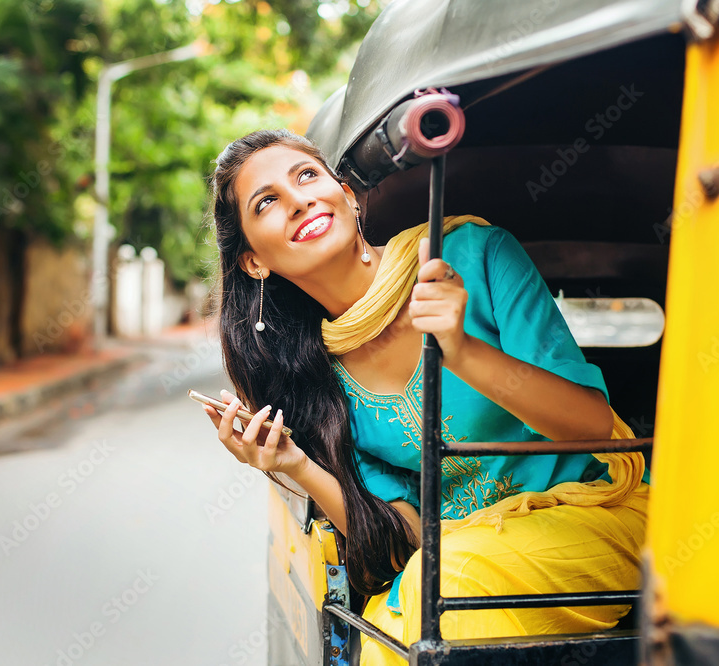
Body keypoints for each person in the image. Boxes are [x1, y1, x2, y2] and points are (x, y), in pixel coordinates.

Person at [203, 128, 649, 665]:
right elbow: (403, 541)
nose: (298, 200)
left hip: (599, 510)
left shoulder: (472, 255)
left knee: (439, 590)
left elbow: (591, 428)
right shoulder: (316, 381)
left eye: (306, 176)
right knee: (408, 612)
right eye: (267, 202)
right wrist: (293, 463)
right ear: (254, 260)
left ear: (346, 193)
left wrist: (464, 352)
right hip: (454, 563)